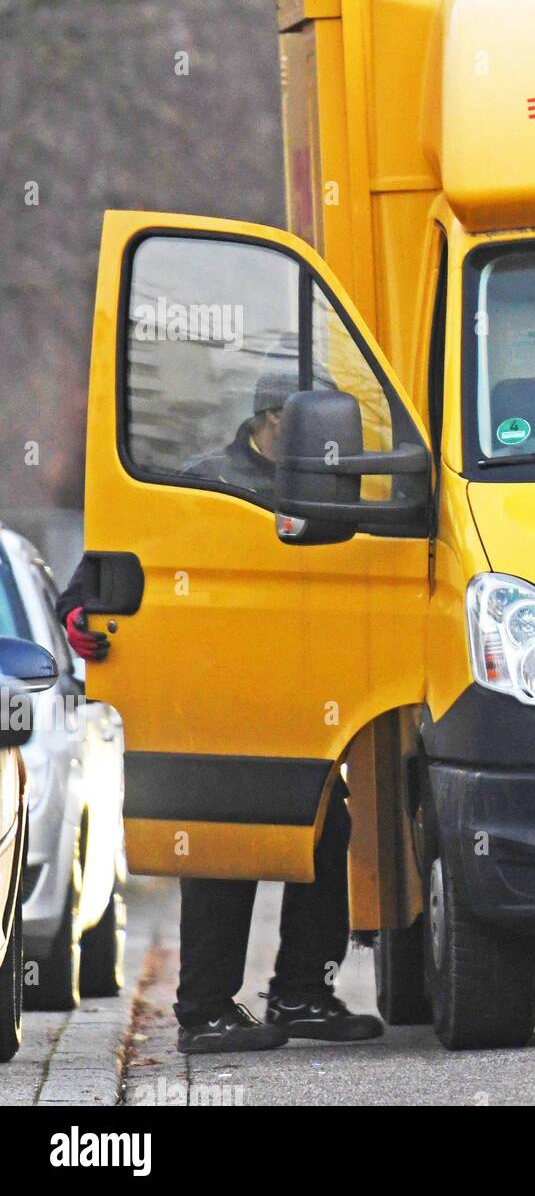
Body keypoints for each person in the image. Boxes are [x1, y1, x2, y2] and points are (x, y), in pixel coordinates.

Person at [58, 372, 384, 1055]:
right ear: (274, 422)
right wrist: (81, 611)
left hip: (304, 704)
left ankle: (302, 994)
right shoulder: (203, 487)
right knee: (220, 848)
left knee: (328, 837)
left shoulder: (336, 489)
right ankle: (205, 1010)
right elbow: (103, 573)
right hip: (218, 703)